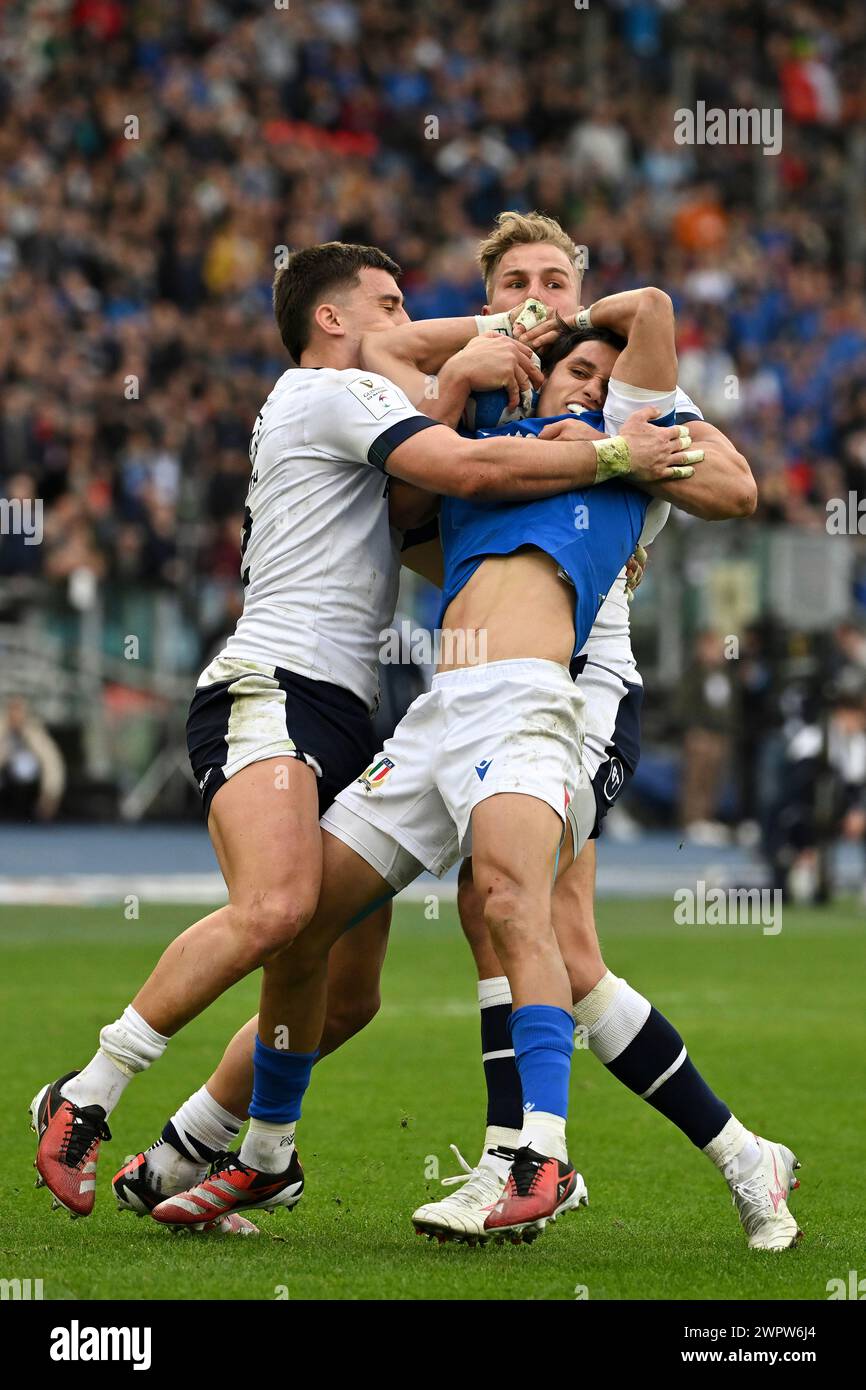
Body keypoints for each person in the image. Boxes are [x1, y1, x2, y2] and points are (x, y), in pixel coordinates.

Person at [30, 240, 688, 1224]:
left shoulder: (385, 392)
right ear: (332, 320)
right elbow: (454, 463)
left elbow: (445, 455)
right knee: (285, 908)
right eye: (385, 301)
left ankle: (263, 1151)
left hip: (373, 706)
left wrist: (505, 355)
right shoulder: (325, 388)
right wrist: (603, 448)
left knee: (344, 983)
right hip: (277, 684)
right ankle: (88, 1091)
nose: (406, 317)